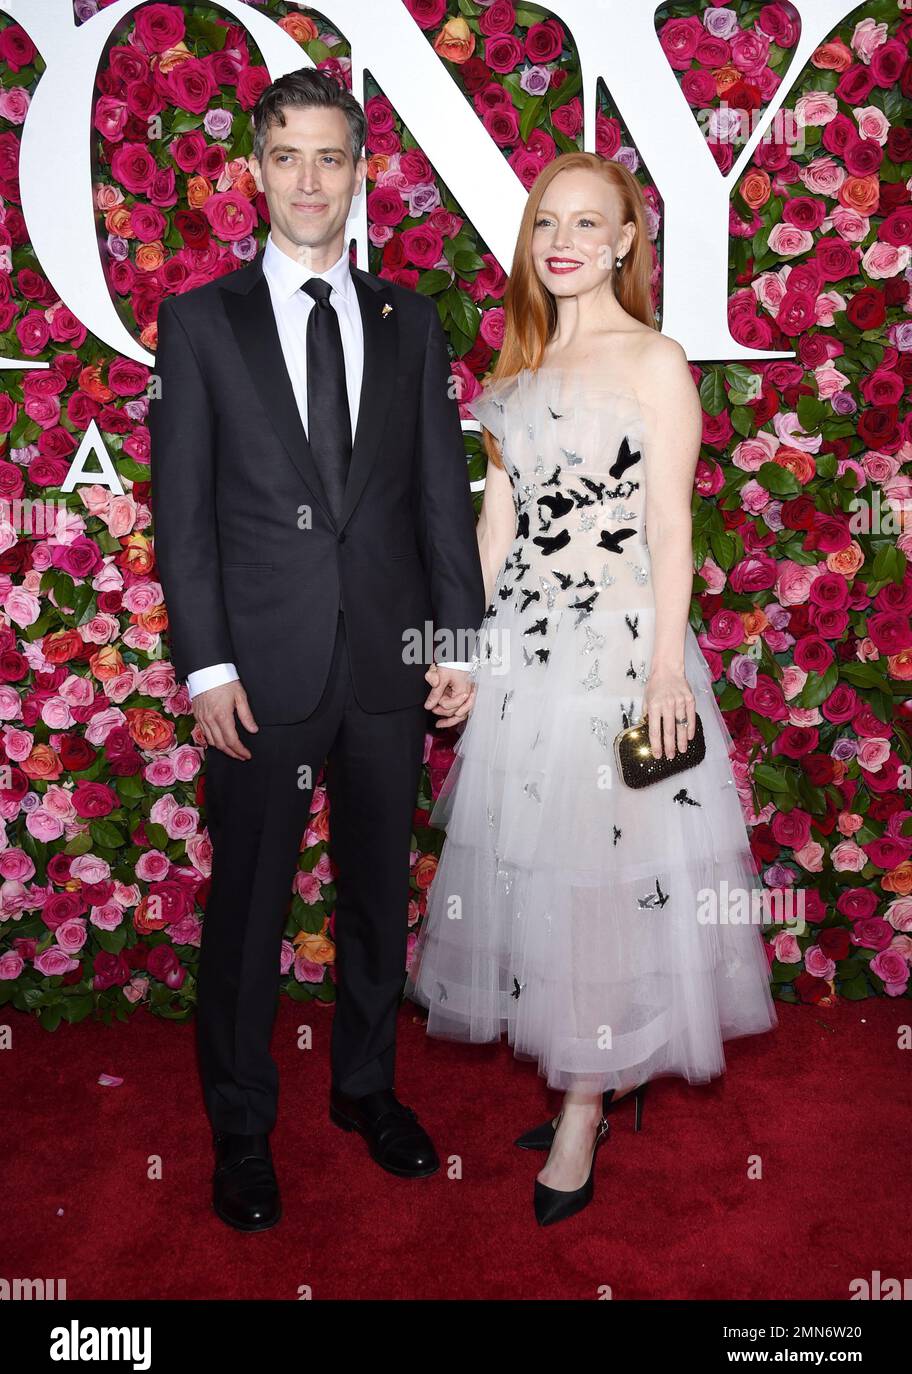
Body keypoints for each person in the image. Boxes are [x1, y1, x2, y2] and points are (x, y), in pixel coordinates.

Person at [406, 151, 778, 1227]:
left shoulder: (657, 360)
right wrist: (458, 651)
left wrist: (666, 667)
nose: (562, 240)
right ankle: (587, 1076)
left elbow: (672, 525)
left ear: (624, 243)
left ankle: (582, 1109)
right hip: (523, 660)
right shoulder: (513, 379)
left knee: (611, 882)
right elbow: (494, 532)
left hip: (621, 660)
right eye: (544, 224)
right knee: (545, 880)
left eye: (587, 223)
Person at [149, 69, 484, 1232]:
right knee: (245, 913)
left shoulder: (409, 318)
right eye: (285, 155)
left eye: (329, 157)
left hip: (392, 666)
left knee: (374, 898)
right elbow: (182, 518)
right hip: (262, 675)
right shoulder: (200, 324)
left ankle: (363, 1088)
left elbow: (442, 494)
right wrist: (205, 667)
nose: (307, 179)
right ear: (253, 172)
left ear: (359, 172)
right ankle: (242, 1128)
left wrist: (455, 638)